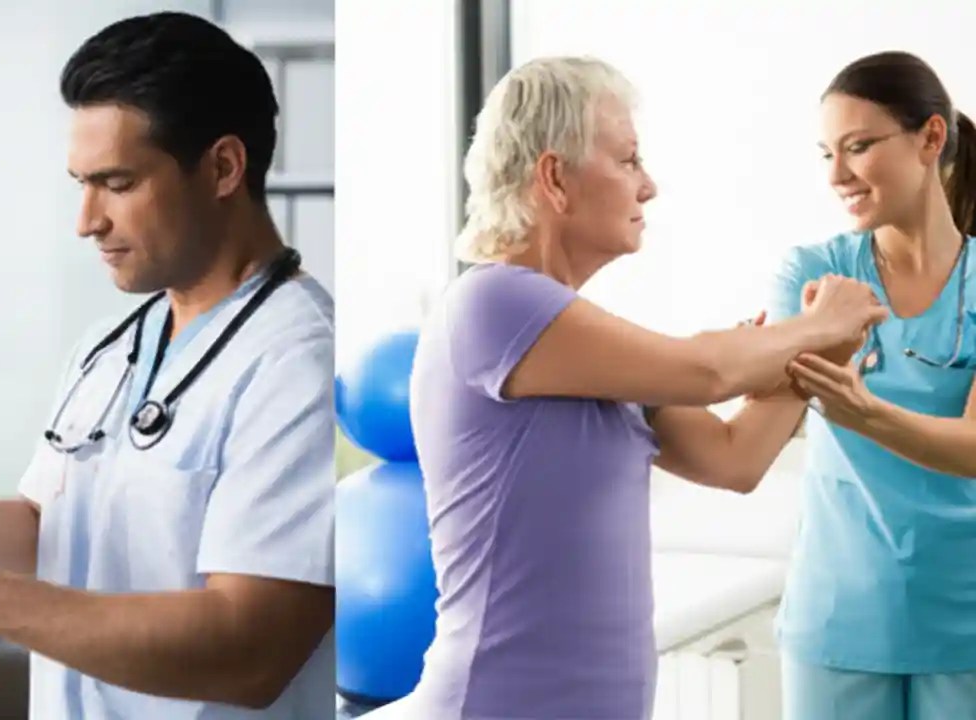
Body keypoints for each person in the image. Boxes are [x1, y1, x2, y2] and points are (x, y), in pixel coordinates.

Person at [0, 12, 335, 719]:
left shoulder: (297, 362)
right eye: (80, 184)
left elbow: (252, 648)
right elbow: (50, 529)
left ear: (224, 168)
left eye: (116, 183)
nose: (86, 220)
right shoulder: (112, 350)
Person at [363, 57, 887, 720]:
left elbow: (735, 458)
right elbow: (708, 371)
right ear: (555, 177)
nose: (650, 187)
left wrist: (816, 352)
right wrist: (814, 325)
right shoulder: (492, 303)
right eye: (629, 159)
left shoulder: (590, 355)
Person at [768, 50, 976, 720]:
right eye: (826, 153)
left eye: (858, 148)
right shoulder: (814, 272)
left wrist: (863, 411)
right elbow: (755, 405)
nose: (837, 174)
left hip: (965, 623)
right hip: (838, 621)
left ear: (931, 138)